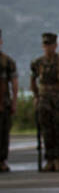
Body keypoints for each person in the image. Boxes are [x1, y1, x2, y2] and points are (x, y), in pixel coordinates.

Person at [30, 33, 59, 172]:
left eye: (51, 44)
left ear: (55, 45)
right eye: (46, 45)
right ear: (43, 46)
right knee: (47, 131)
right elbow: (33, 80)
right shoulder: (37, 63)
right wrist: (36, 96)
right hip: (44, 100)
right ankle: (49, 159)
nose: (48, 47)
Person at [0, 30, 18, 172]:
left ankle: (2, 160)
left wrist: (14, 101)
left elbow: (14, 83)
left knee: (3, 132)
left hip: (4, 102)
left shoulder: (7, 61)